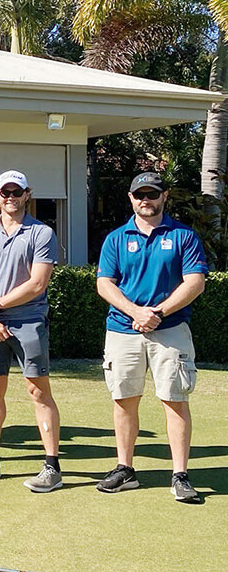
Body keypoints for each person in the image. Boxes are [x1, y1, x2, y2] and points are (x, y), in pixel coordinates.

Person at [95, 172, 207, 502]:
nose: (146, 200)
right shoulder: (116, 238)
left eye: (153, 194)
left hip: (170, 330)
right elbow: (105, 284)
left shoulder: (184, 236)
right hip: (122, 330)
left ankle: (180, 474)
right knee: (124, 400)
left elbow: (195, 282)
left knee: (175, 400)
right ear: (130, 198)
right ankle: (125, 469)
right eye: (140, 194)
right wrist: (135, 312)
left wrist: (157, 313)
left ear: (164, 196)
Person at [0, 171, 62, 491]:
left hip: (29, 321)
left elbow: (37, 283)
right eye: (5, 192)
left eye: (16, 191)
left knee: (38, 390)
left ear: (26, 195)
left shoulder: (42, 233)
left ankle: (52, 466)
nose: (10, 197)